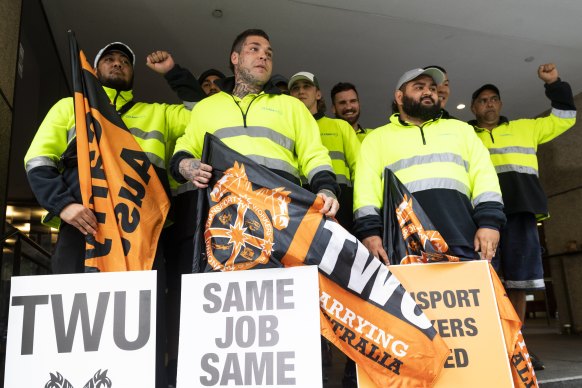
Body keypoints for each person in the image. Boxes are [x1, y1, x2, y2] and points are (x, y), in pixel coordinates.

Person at [24, 42, 192, 388]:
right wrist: (63, 205)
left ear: (133, 73)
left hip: (142, 236)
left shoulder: (158, 113)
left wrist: (173, 73)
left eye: (125, 61)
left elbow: (207, 112)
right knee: (73, 320)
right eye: (110, 60)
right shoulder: (70, 107)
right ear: (97, 69)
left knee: (139, 325)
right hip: (82, 229)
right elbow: (38, 160)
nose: (118, 64)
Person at [469, 64, 576, 370]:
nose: (489, 104)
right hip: (479, 218)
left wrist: (553, 82)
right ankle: (489, 345)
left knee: (519, 283)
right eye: (483, 100)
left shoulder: (527, 127)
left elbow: (565, 117)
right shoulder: (463, 134)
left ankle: (516, 346)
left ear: (500, 104)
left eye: (494, 99)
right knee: (485, 283)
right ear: (474, 107)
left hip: (521, 216)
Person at [170, 29, 340, 218]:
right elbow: (184, 149)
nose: (263, 56)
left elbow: (314, 154)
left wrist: (326, 189)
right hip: (224, 216)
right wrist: (185, 165)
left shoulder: (292, 106)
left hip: (282, 218)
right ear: (235, 57)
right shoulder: (206, 107)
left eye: (268, 54)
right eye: (254, 49)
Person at [353, 67, 506, 265]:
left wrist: (490, 223)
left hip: (465, 239)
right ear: (399, 97)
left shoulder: (462, 131)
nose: (428, 92)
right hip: (406, 246)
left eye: (432, 88)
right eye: (419, 87)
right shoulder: (376, 139)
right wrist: (369, 233)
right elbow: (366, 191)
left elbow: (485, 177)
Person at [289, 70, 360, 386]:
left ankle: (351, 365)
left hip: (341, 217)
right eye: (295, 88)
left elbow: (360, 169)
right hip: (301, 218)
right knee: (307, 291)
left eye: (306, 87)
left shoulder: (340, 127)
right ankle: (315, 360)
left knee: (346, 292)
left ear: (318, 94)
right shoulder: (287, 125)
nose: (301, 92)